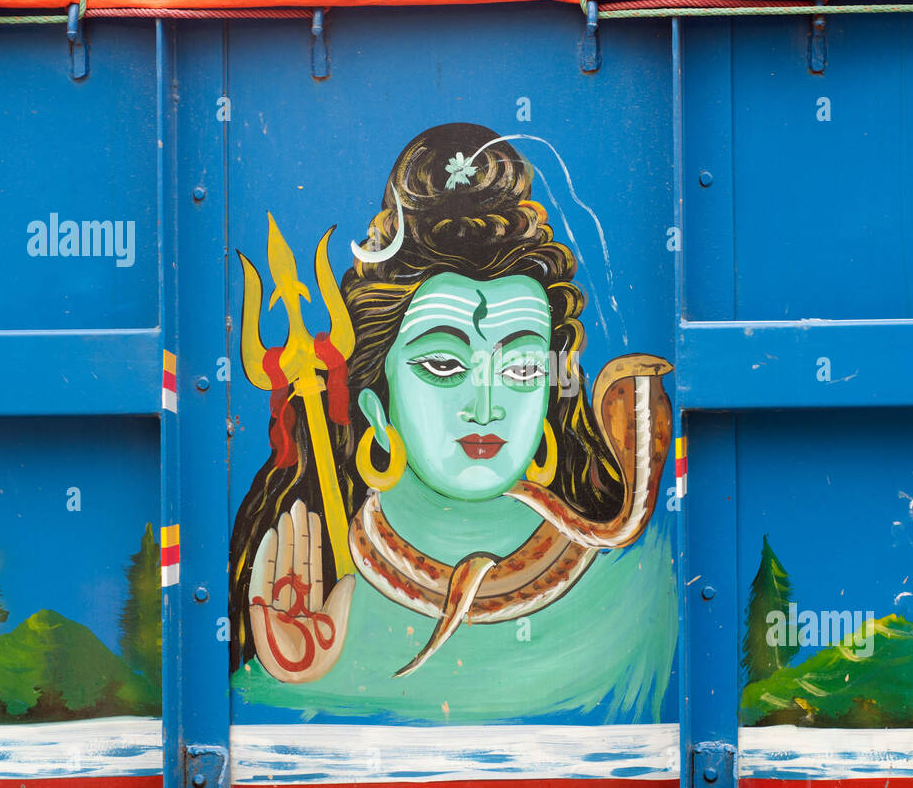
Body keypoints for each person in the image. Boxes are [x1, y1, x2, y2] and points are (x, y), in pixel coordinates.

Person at [228, 123, 673, 697]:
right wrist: (290, 675)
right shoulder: (316, 591)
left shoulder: (634, 587)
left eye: (519, 370)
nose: (485, 408)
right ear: (376, 405)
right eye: (442, 366)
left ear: (549, 395)